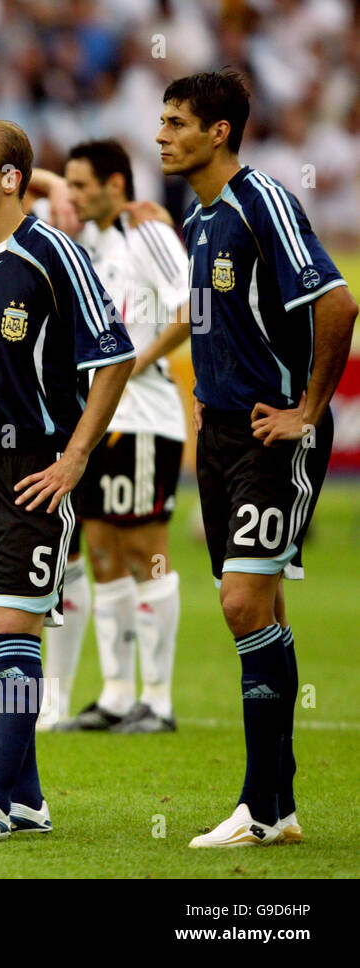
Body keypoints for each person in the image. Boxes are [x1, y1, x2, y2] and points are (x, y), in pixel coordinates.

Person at [157, 71, 356, 847]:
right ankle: (280, 808)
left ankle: (260, 806)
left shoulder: (262, 201)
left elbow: (338, 302)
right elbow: (214, 309)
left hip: (277, 431)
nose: (164, 134)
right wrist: (207, 386)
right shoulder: (198, 214)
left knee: (243, 602)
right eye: (162, 120)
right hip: (224, 432)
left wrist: (307, 409)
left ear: (219, 132)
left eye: (177, 122)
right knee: (259, 606)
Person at [0, 120, 135, 842]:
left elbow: (115, 358)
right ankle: (26, 801)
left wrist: (76, 457)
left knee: (13, 626)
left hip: (33, 470)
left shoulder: (55, 255)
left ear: (12, 178)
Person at [38, 139, 191, 734]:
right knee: (101, 554)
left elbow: (190, 305)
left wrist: (136, 359)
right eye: (68, 185)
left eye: (80, 185)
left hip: (145, 416)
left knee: (145, 551)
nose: (70, 196)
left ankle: (158, 698)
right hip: (96, 422)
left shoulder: (145, 231)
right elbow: (28, 184)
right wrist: (54, 187)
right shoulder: (90, 242)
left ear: (116, 184)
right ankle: (117, 694)